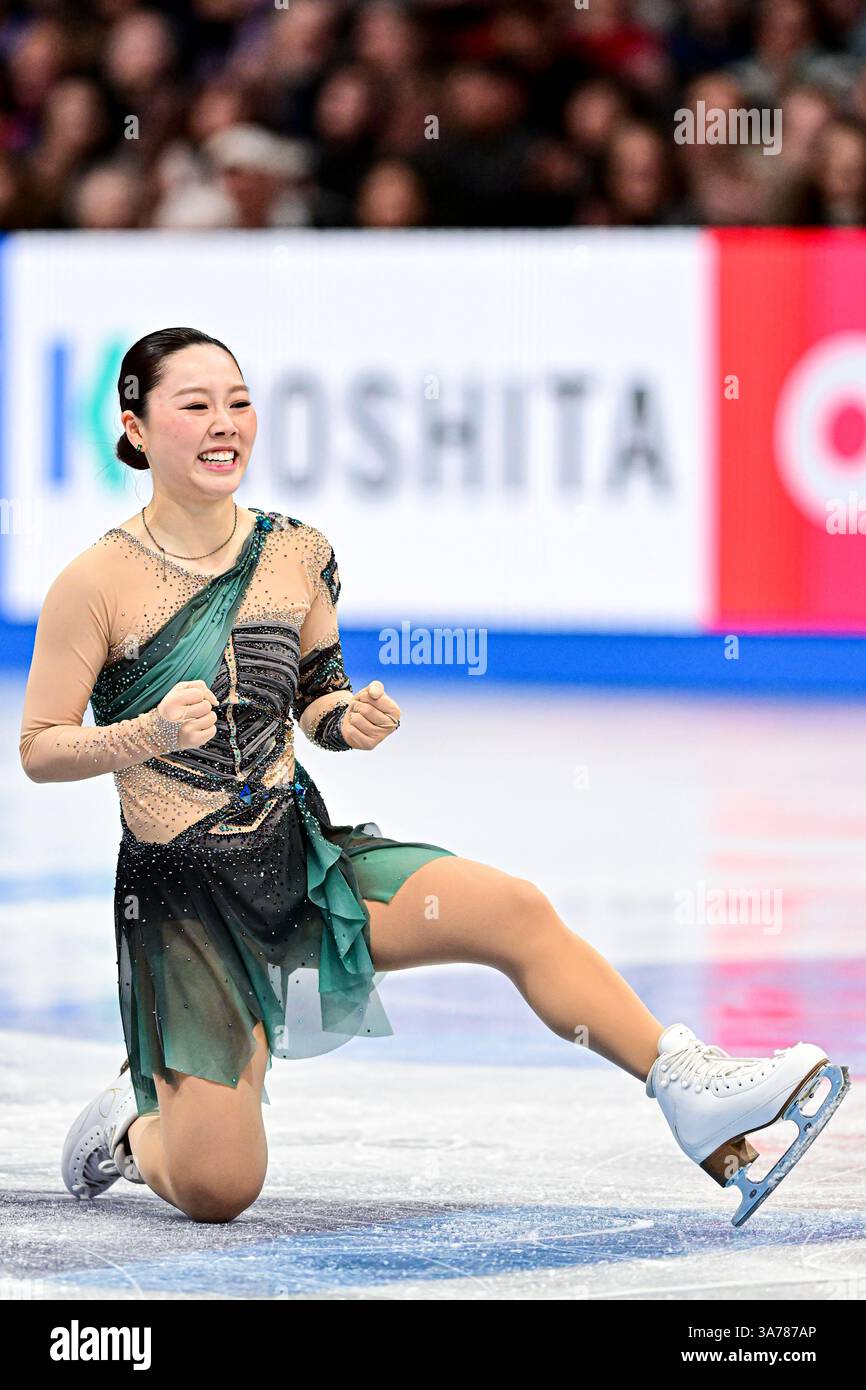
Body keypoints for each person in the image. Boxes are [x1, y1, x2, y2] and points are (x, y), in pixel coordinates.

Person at [19, 327, 850, 1228]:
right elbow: (39, 746)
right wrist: (140, 734)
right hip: (182, 905)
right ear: (136, 428)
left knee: (513, 910)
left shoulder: (297, 551)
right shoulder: (95, 582)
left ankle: (684, 1082)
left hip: (297, 862)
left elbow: (312, 692)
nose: (225, 424)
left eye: (239, 401)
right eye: (196, 405)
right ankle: (138, 1131)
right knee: (222, 1191)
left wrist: (349, 719)